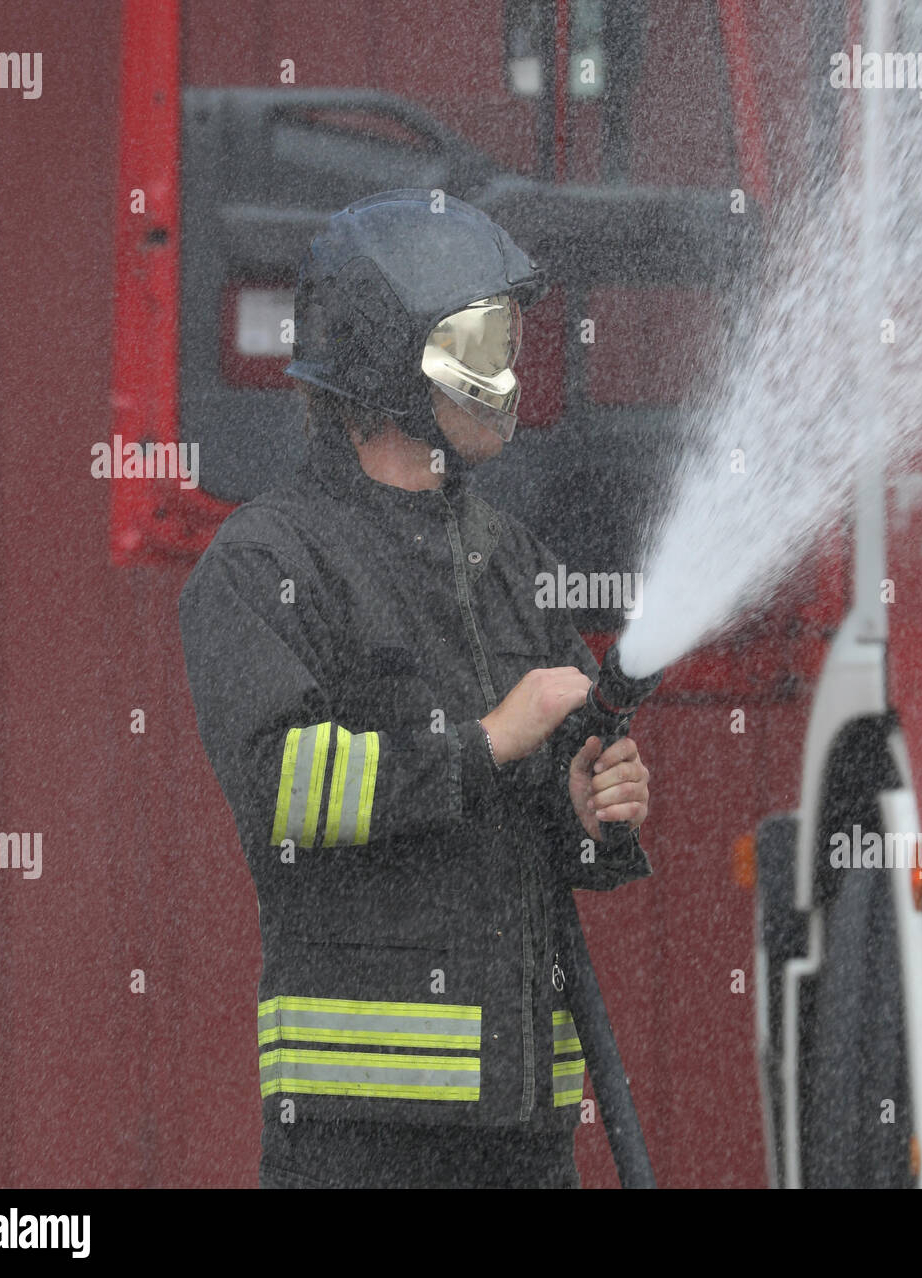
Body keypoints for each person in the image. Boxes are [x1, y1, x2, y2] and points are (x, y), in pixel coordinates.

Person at [178, 189, 653, 1189]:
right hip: (367, 1139)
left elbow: (546, 798)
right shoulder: (265, 561)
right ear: (392, 362)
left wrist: (587, 803)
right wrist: (491, 740)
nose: (509, 373)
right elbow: (286, 791)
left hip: (523, 1127)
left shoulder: (509, 558)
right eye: (482, 342)